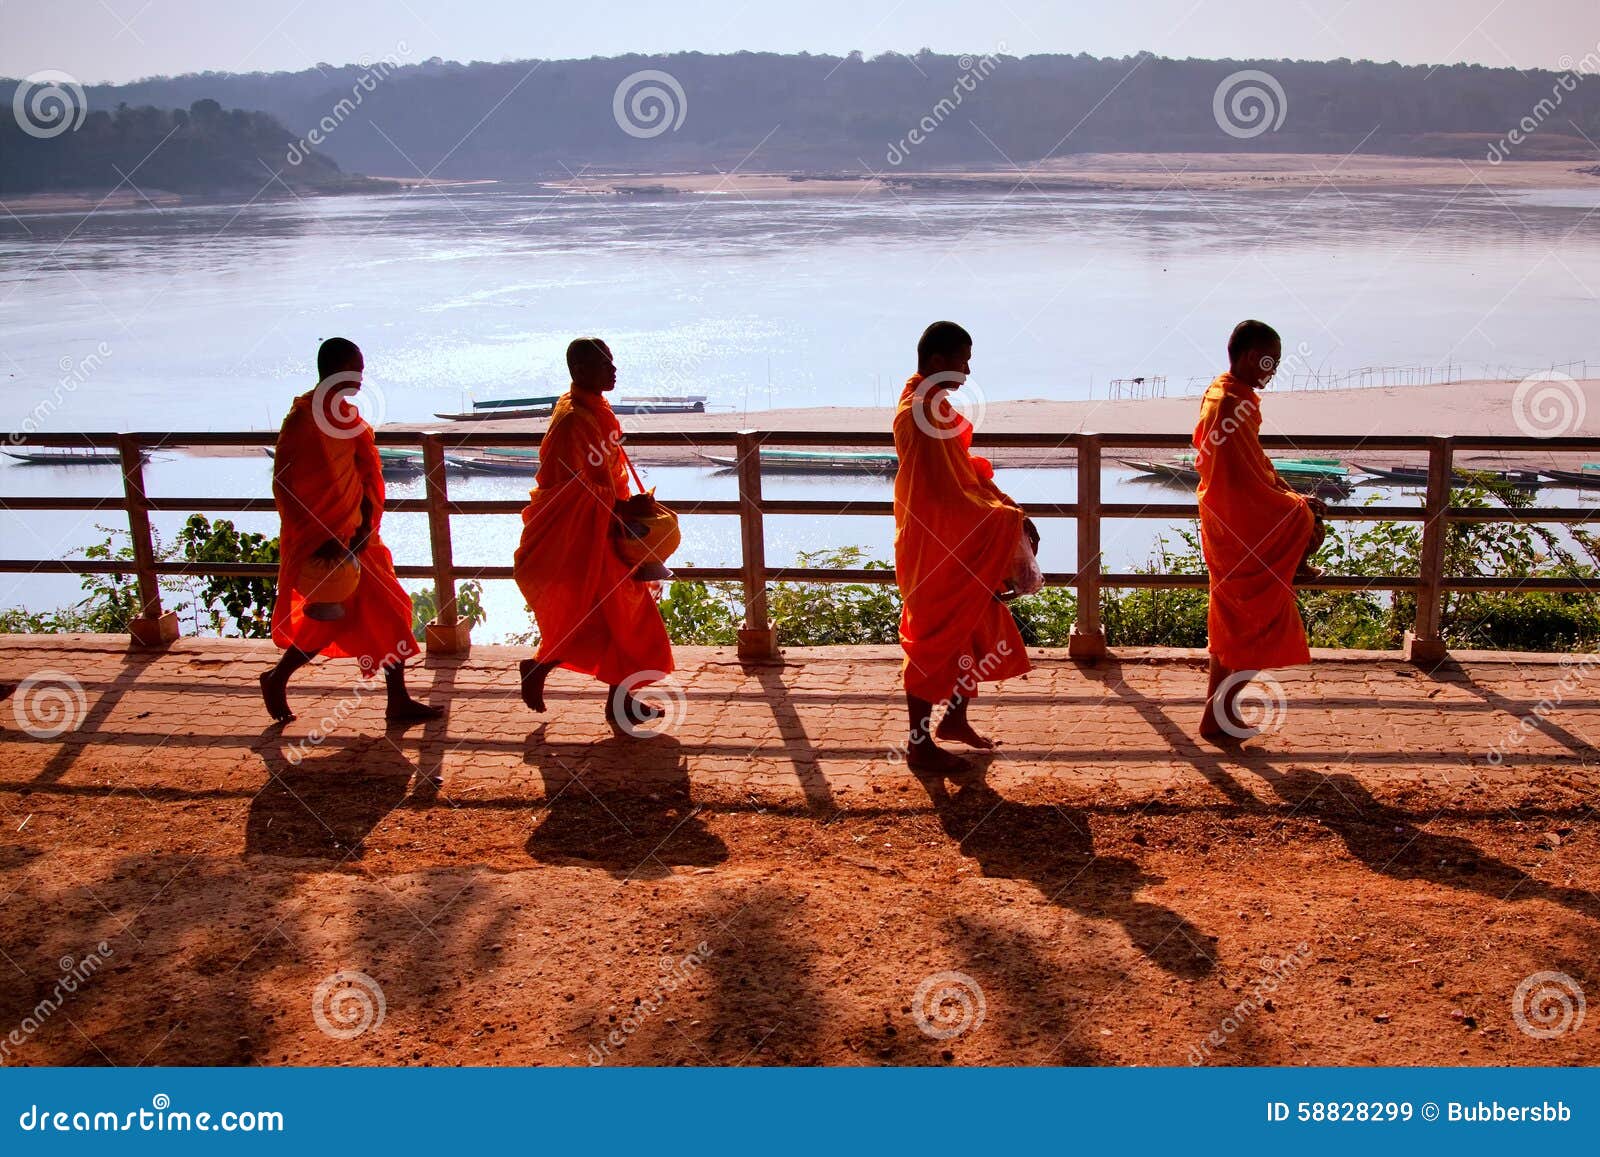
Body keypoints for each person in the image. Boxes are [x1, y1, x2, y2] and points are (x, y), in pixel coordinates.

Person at [260, 338, 441, 724]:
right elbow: (287, 486)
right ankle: (278, 679)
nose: (360, 377)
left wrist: (361, 525)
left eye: (361, 369)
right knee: (359, 614)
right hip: (325, 544)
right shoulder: (304, 421)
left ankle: (395, 700)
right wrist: (320, 536)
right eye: (353, 368)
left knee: (382, 611)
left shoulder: (344, 417)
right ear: (332, 371)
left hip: (358, 539)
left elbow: (361, 473)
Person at [513, 337, 674, 731]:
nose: (614, 371)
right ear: (581, 371)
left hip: (607, 528)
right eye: (605, 365)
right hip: (586, 531)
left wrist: (624, 507)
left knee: (624, 617)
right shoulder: (572, 420)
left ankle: (618, 702)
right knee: (610, 616)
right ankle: (539, 667)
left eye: (613, 363)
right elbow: (573, 488)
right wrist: (621, 508)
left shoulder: (596, 411)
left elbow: (603, 474)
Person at [894, 321, 1032, 776]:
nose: (968, 369)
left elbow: (964, 475)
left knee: (972, 624)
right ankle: (918, 744)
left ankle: (954, 720)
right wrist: (1002, 518)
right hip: (934, 541)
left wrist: (1006, 505)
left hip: (954, 536)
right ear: (936, 362)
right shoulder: (918, 411)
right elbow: (943, 491)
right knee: (932, 638)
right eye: (962, 359)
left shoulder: (935, 407)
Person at [1194, 319, 1326, 742]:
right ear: (1252, 357)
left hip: (1228, 529)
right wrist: (1296, 509)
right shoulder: (1231, 403)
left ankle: (1217, 716)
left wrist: (1288, 492)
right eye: (1271, 361)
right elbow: (1243, 482)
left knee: (1232, 625)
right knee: (1262, 626)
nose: (1273, 370)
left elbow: (1255, 467)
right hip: (1242, 533)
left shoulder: (1224, 394)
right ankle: (1218, 713)